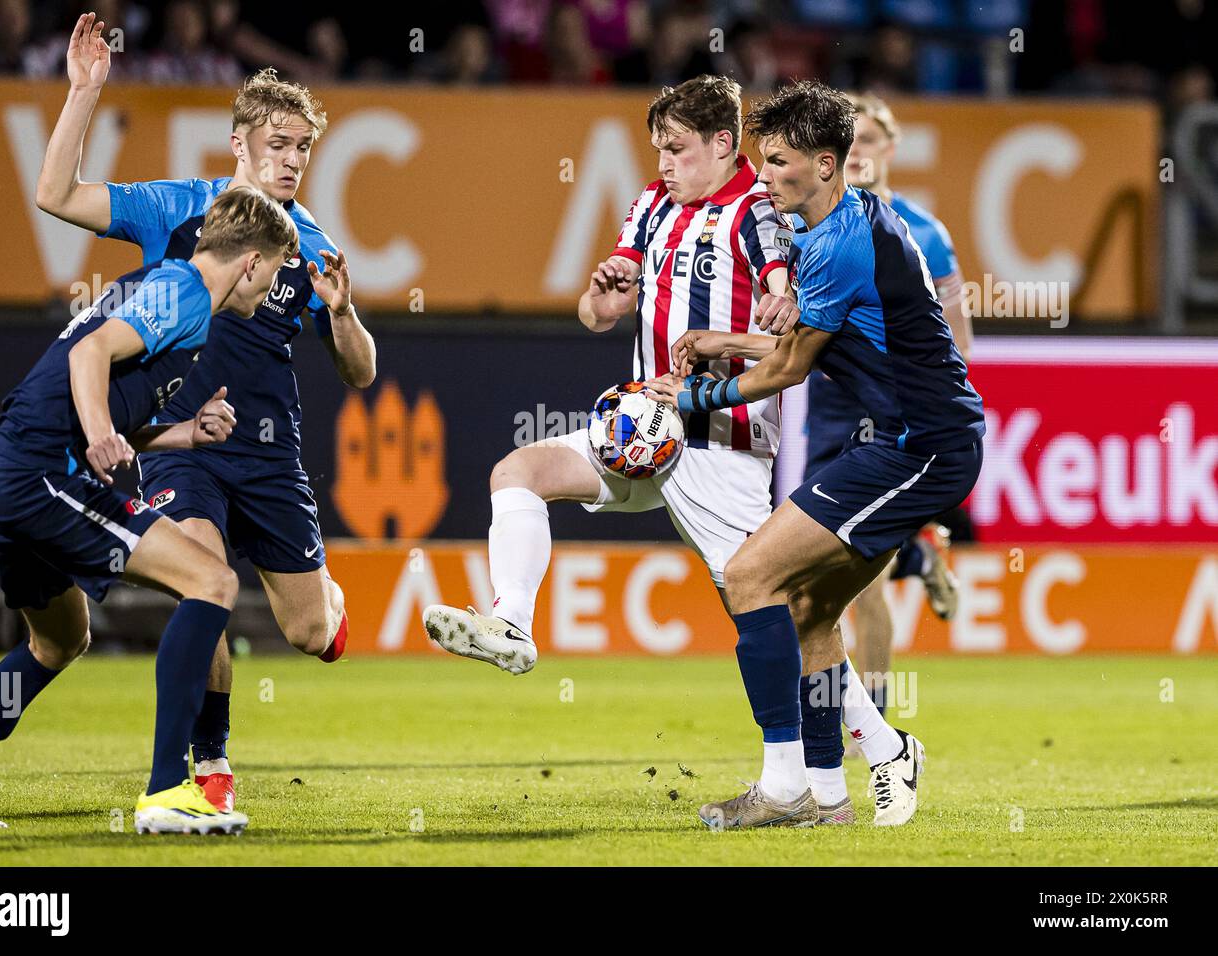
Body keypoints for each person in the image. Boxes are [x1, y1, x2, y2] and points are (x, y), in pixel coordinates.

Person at [422, 75, 907, 826]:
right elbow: (596, 313)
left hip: (721, 441)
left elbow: (785, 318)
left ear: (722, 143)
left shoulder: (759, 214)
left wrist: (777, 300)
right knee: (518, 471)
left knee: (770, 607)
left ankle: (862, 754)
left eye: (677, 149)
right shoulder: (650, 205)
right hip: (644, 430)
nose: (665, 163)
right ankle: (511, 622)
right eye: (657, 149)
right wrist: (604, 291)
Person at [35, 13, 376, 814]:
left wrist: (344, 315)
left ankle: (328, 611)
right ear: (239, 141)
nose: (291, 160)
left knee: (307, 634)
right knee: (204, 583)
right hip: (183, 443)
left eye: (303, 148)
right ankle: (208, 762)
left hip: (270, 456)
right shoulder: (177, 208)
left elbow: (360, 374)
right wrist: (84, 92)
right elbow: (54, 195)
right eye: (278, 143)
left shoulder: (315, 242)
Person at [648, 80, 985, 829]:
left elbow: (790, 369)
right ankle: (837, 793)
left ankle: (785, 786)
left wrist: (690, 397)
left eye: (777, 162)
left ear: (827, 164)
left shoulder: (836, 241)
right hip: (910, 443)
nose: (761, 176)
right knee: (809, 609)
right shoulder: (851, 219)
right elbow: (812, 344)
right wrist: (725, 340)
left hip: (923, 451)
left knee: (748, 575)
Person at [0, 187, 297, 835]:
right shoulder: (183, 292)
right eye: (276, 270)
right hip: (43, 470)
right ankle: (166, 791)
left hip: (9, 467)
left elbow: (114, 402)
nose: (270, 290)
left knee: (60, 639)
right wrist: (97, 437)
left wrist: (184, 432)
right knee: (213, 580)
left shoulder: (161, 287)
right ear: (252, 264)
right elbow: (86, 356)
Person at [804, 92, 971, 742]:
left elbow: (958, 333)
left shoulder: (925, 231)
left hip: (892, 402)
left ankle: (869, 721)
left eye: (872, 139)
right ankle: (922, 555)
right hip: (829, 405)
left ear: (891, 149)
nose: (861, 152)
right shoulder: (816, 224)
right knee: (831, 563)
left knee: (856, 564)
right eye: (852, 141)